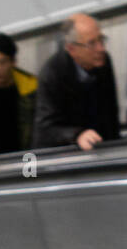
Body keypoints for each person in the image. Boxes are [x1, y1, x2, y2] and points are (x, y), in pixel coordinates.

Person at [34, 13, 119, 150]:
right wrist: (77, 135)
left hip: (99, 147)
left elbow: (111, 112)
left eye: (101, 39)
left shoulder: (103, 62)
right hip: (64, 153)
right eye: (92, 43)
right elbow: (46, 129)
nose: (101, 48)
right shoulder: (52, 74)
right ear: (72, 49)